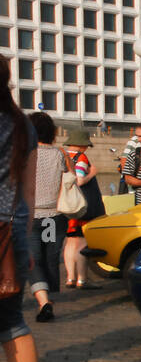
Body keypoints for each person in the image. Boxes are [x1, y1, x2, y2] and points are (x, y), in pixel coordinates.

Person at [0, 58, 44, 362]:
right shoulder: (22, 125)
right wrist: (23, 243)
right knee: (13, 322)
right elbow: (27, 192)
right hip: (10, 231)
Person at [29, 113, 68, 321]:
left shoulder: (24, 154)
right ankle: (49, 296)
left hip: (31, 217)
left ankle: (43, 300)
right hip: (53, 217)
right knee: (49, 256)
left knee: (33, 259)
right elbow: (68, 179)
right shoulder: (59, 153)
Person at [61, 127, 105, 289]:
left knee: (70, 242)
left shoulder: (63, 156)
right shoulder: (81, 158)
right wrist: (92, 173)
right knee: (82, 243)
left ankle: (70, 277)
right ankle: (82, 279)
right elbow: (79, 181)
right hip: (83, 207)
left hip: (67, 207)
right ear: (81, 145)